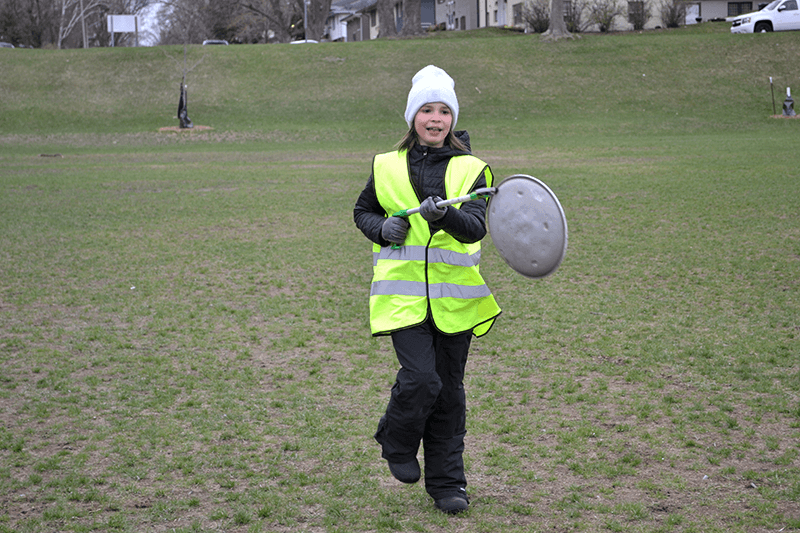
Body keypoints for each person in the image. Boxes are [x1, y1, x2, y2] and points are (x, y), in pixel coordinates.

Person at [353, 65, 501, 515]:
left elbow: (475, 227)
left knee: (449, 393)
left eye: (443, 111)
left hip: (456, 301)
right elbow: (363, 211)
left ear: (452, 119)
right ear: (412, 116)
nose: (435, 119)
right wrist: (383, 229)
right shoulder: (385, 164)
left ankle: (448, 485)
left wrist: (444, 216)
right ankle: (396, 441)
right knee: (421, 379)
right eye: (426, 110)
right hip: (403, 299)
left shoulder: (473, 169)